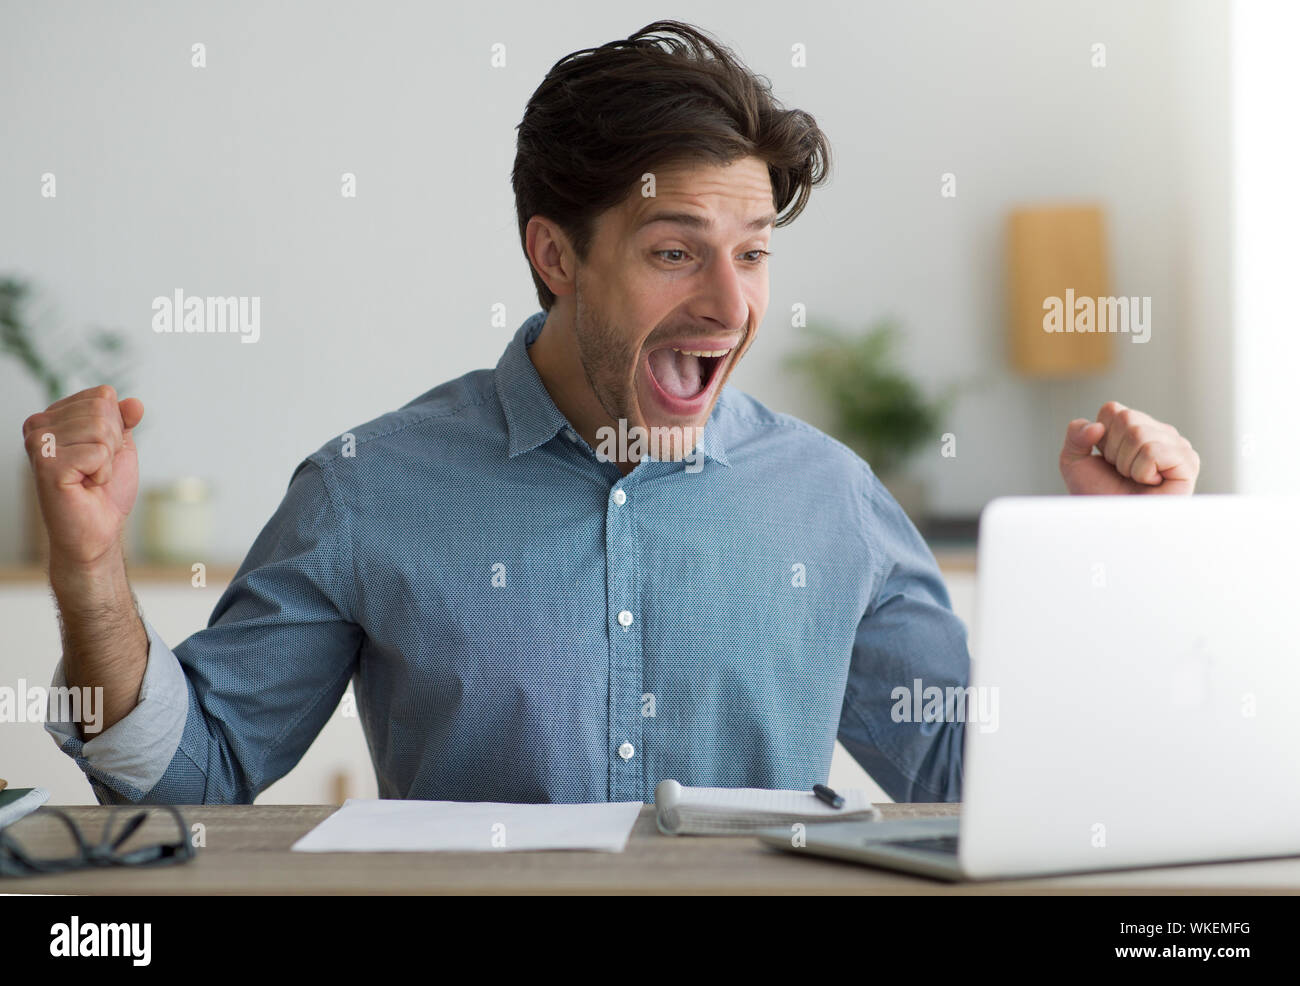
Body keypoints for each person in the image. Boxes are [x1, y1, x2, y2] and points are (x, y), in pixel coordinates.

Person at [20, 20, 1200, 806]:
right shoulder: (366, 488)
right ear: (555, 255)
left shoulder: (831, 499)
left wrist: (1127, 557)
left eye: (752, 253)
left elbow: (983, 784)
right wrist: (88, 570)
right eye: (676, 251)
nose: (730, 305)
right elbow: (193, 779)